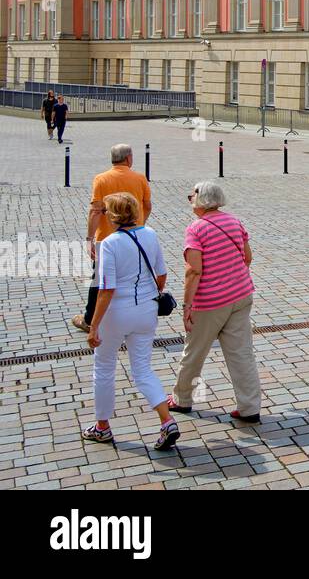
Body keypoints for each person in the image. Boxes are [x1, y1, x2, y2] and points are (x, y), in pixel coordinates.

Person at [83, 192, 180, 451]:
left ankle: (102, 426)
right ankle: (166, 419)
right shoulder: (150, 234)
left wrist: (93, 326)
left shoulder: (109, 243)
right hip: (146, 311)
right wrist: (148, 293)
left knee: (104, 368)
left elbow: (106, 289)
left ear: (112, 216)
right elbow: (162, 275)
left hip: (116, 312)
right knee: (142, 370)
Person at [166, 181, 262, 423]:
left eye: (192, 196)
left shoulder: (196, 229)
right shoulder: (234, 221)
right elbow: (247, 258)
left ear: (201, 200)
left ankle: (182, 399)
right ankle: (249, 407)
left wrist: (187, 306)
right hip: (241, 295)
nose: (190, 200)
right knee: (241, 354)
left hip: (210, 303)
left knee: (194, 352)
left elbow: (193, 271)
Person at [73, 144, 151, 334]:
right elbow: (147, 205)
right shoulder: (140, 178)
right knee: (132, 275)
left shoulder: (101, 179)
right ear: (129, 158)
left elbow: (95, 211)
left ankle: (90, 319)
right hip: (135, 236)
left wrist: (89, 238)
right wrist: (140, 222)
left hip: (106, 237)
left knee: (99, 279)